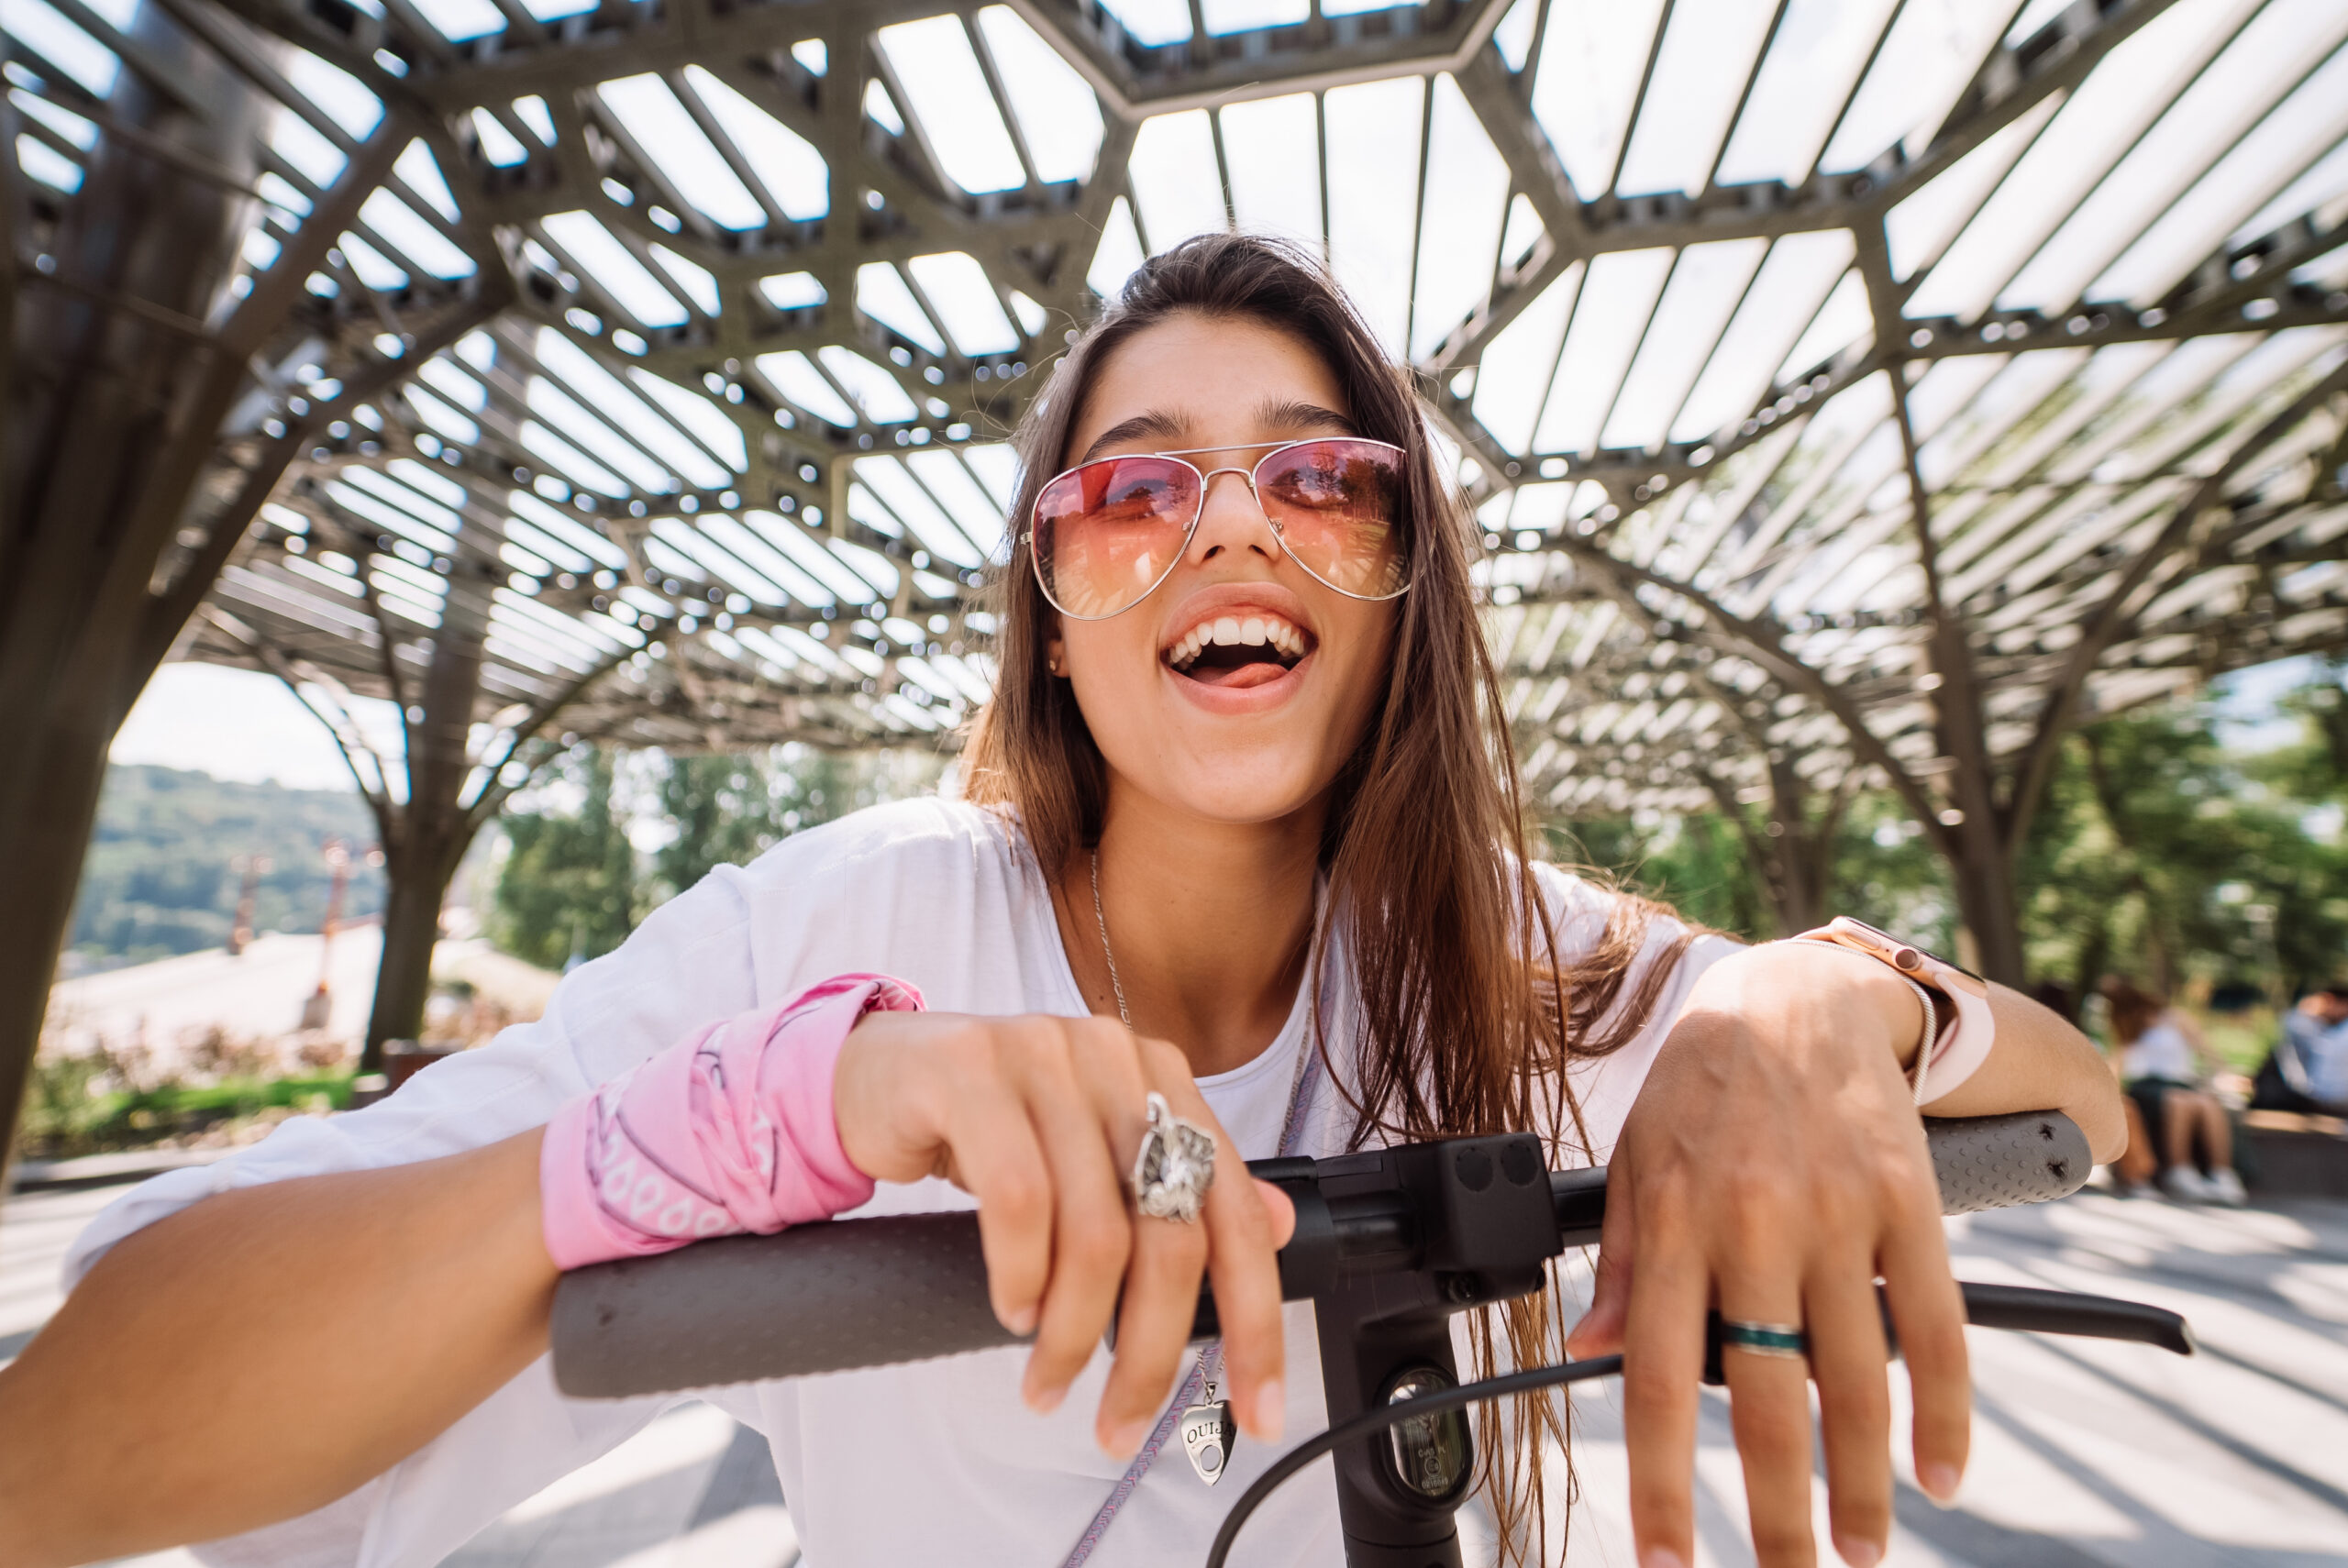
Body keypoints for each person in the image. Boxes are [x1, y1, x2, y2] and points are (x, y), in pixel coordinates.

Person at [0, 235, 2122, 1568]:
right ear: (1049, 598)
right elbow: (69, 1452)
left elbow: (2086, 1098)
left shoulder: (1496, 954)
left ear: (1402, 587)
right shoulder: (840, 929)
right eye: (1128, 489)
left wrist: (1820, 1003)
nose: (1227, 532)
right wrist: (753, 1122)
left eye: (1318, 476)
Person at [2100, 979, 2245, 1205]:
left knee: (2207, 1103)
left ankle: (2222, 1173)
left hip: (2181, 1082)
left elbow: (2206, 1051)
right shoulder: (2127, 1025)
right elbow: (2117, 1063)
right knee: (2180, 1101)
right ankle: (2180, 1170)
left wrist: (2224, 1075)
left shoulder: (2176, 1019)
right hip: (2147, 1087)